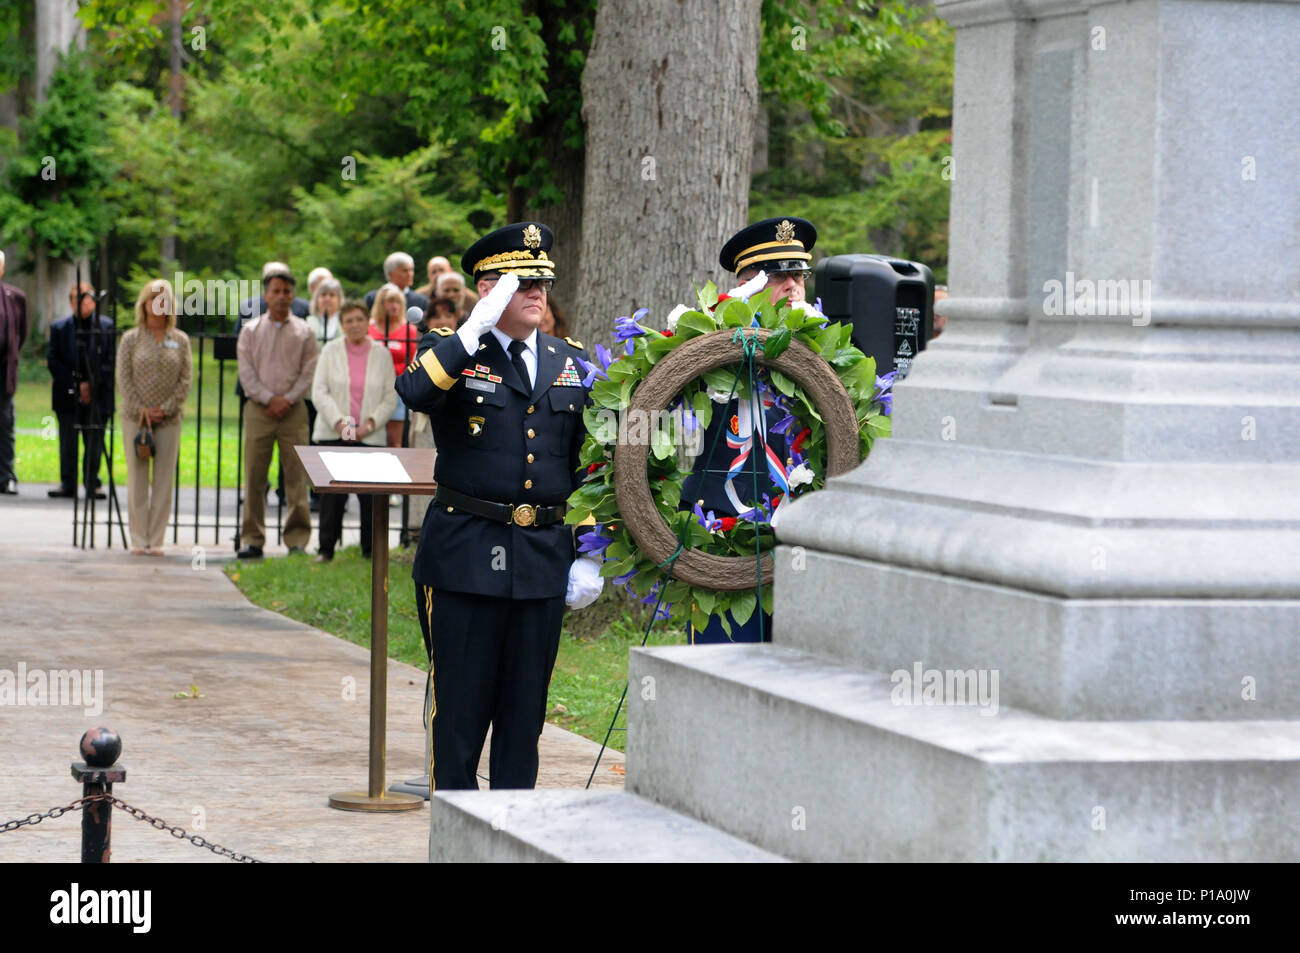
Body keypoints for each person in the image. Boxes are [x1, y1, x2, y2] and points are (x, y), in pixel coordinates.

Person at [395, 221, 603, 791]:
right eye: (522, 283)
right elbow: (415, 394)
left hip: (540, 560)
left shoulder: (570, 360)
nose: (538, 293)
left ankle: (513, 838)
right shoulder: (453, 349)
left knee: (523, 720)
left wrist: (589, 552)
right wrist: (472, 330)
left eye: (543, 283)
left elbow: (588, 465)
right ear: (489, 289)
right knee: (459, 717)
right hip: (465, 558)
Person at [681, 216, 820, 644]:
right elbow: (653, 413)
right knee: (721, 667)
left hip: (803, 536)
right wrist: (710, 323)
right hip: (723, 533)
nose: (792, 285)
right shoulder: (705, 349)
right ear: (747, 284)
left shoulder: (827, 356)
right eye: (777, 276)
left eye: (798, 274)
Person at [236, 265, 320, 559]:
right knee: (255, 476)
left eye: (287, 291)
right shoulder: (250, 331)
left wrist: (287, 399)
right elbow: (246, 374)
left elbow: (308, 371)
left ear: (293, 295)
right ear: (266, 295)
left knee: (296, 476)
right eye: (276, 291)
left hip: (294, 411)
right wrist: (268, 398)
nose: (282, 297)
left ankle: (297, 540)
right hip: (258, 410)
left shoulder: (305, 332)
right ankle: (253, 539)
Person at [310, 300, 396, 562]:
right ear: (342, 325)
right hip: (333, 432)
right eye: (348, 321)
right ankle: (326, 549)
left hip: (370, 435)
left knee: (371, 497)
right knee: (331, 497)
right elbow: (319, 392)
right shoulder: (330, 351)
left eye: (359, 319)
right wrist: (340, 423)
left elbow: (391, 396)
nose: (354, 325)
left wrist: (368, 425)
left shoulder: (382, 354)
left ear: (366, 321)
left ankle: (370, 550)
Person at [116, 279, 192, 555]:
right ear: (144, 304)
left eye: (164, 299)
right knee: (137, 477)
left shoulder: (180, 340)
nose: (158, 305)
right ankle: (138, 538)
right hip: (134, 418)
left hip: (169, 419)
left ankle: (156, 538)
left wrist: (167, 407)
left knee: (163, 479)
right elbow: (123, 379)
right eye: (153, 298)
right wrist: (142, 410)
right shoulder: (131, 339)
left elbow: (186, 379)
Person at [47, 282, 115, 499]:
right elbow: (53, 360)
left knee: (95, 439)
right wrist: (75, 384)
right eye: (76, 298)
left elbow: (110, 360)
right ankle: (68, 482)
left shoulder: (106, 326)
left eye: (86, 298)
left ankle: (92, 481)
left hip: (99, 394)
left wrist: (91, 384)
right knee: (68, 440)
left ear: (93, 301)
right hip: (68, 393)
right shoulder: (59, 328)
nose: (82, 303)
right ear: (70, 302)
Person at [369, 282, 421, 450]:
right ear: (380, 304)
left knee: (394, 440)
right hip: (373, 388)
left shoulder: (410, 330)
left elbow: (413, 361)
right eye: (390, 301)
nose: (394, 306)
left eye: (398, 301)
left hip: (397, 388)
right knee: (372, 437)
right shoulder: (370, 328)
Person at [0, 250, 28, 495]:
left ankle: (6, 475)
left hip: (3, 373)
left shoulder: (15, 297)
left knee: (5, 424)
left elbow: (21, 334)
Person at [238, 261, 310, 320]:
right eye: (276, 290)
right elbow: (238, 336)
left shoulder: (304, 307)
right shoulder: (249, 307)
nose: (281, 296)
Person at [364, 252, 429, 314]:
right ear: (390, 274)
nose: (410, 274)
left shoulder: (421, 301)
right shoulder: (373, 298)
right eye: (405, 270)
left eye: (411, 270)